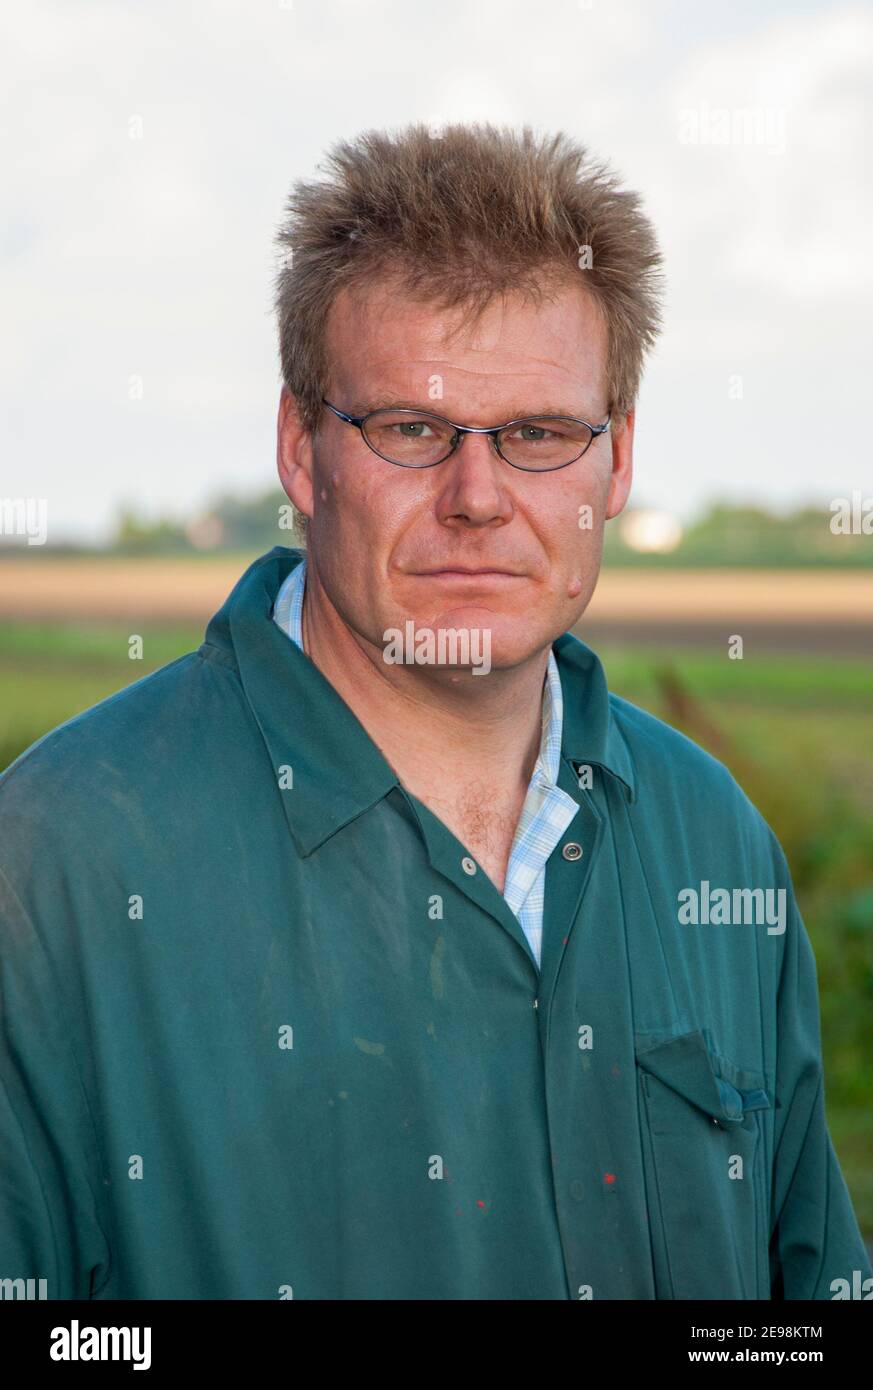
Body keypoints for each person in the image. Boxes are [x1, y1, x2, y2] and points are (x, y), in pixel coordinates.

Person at [0, 123, 869, 1301]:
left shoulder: (710, 837)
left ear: (615, 466)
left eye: (539, 435)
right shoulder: (57, 866)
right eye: (412, 429)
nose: (478, 497)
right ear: (301, 453)